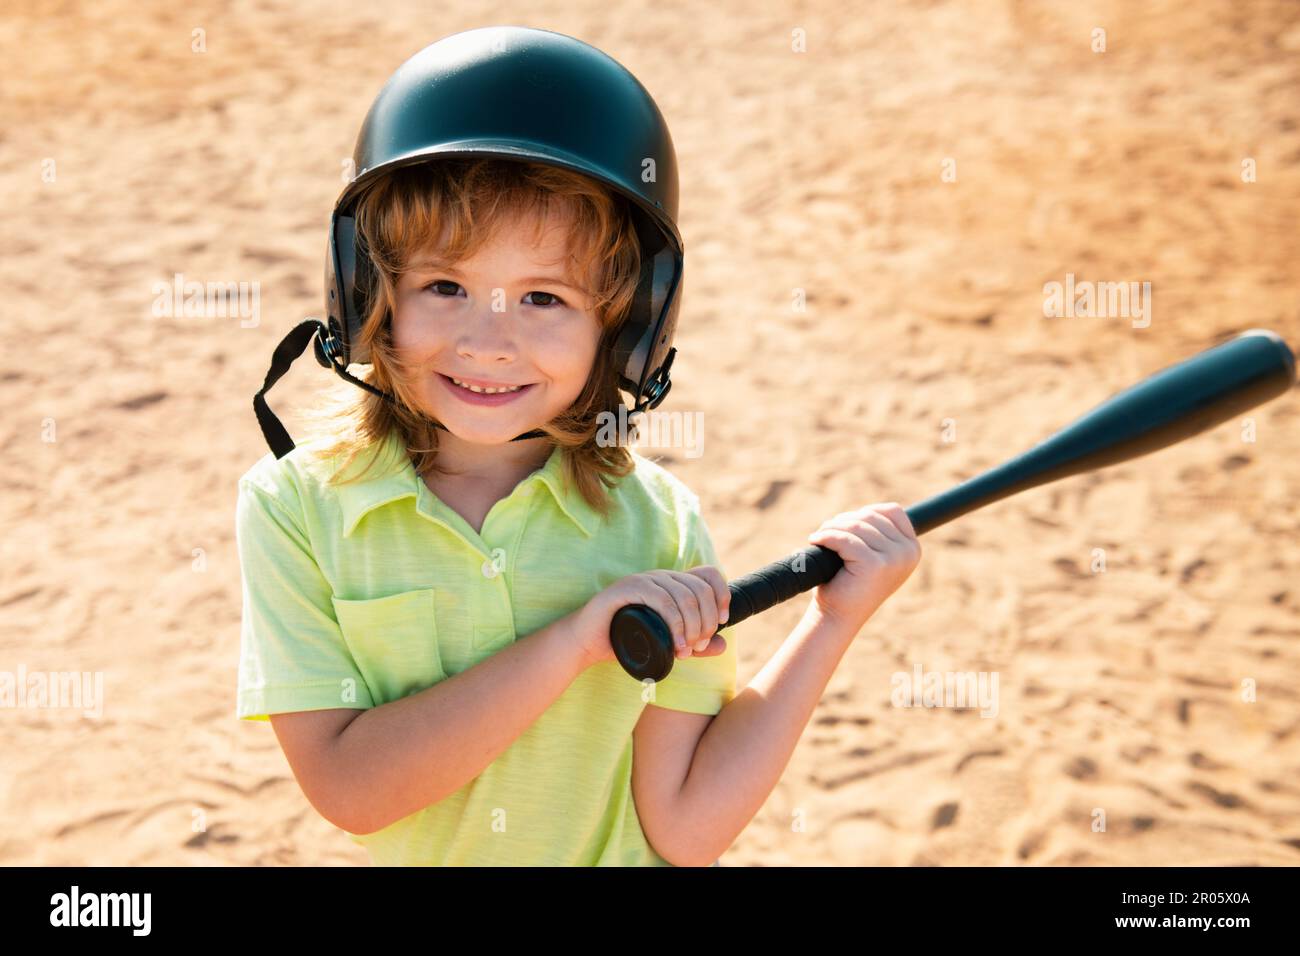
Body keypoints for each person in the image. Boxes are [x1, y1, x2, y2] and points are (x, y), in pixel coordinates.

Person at [235, 27, 920, 867]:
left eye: (545, 299)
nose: (489, 343)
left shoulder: (658, 522)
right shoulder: (298, 508)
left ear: (626, 329)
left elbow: (686, 826)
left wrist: (831, 622)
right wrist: (574, 642)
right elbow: (353, 791)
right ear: (368, 293)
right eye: (445, 286)